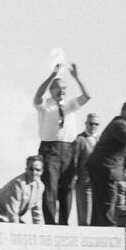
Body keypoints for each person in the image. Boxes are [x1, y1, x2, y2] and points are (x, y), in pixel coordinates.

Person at [34, 64, 92, 225]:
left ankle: (64, 224)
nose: (62, 91)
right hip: (49, 148)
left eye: (64, 89)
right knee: (50, 189)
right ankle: (51, 224)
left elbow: (87, 96)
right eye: (58, 88)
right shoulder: (45, 104)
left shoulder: (70, 104)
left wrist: (76, 77)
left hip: (68, 149)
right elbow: (37, 95)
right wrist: (52, 75)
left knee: (67, 189)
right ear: (51, 90)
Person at [87, 101, 126, 227]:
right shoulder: (119, 125)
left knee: (102, 203)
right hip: (105, 169)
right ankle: (107, 230)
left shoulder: (121, 124)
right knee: (107, 202)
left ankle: (99, 229)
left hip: (105, 168)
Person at [0, 155, 44, 224]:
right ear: (26, 169)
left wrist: (41, 231)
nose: (34, 173)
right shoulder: (18, 184)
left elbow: (37, 213)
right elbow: (12, 212)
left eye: (38, 170)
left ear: (42, 171)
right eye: (31, 169)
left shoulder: (40, 187)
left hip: (7, 214)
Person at [72, 113, 100, 225]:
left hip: (97, 185)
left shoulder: (99, 140)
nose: (93, 126)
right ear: (86, 124)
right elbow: (74, 161)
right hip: (84, 183)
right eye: (91, 123)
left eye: (96, 124)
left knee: (95, 217)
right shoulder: (80, 139)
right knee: (85, 217)